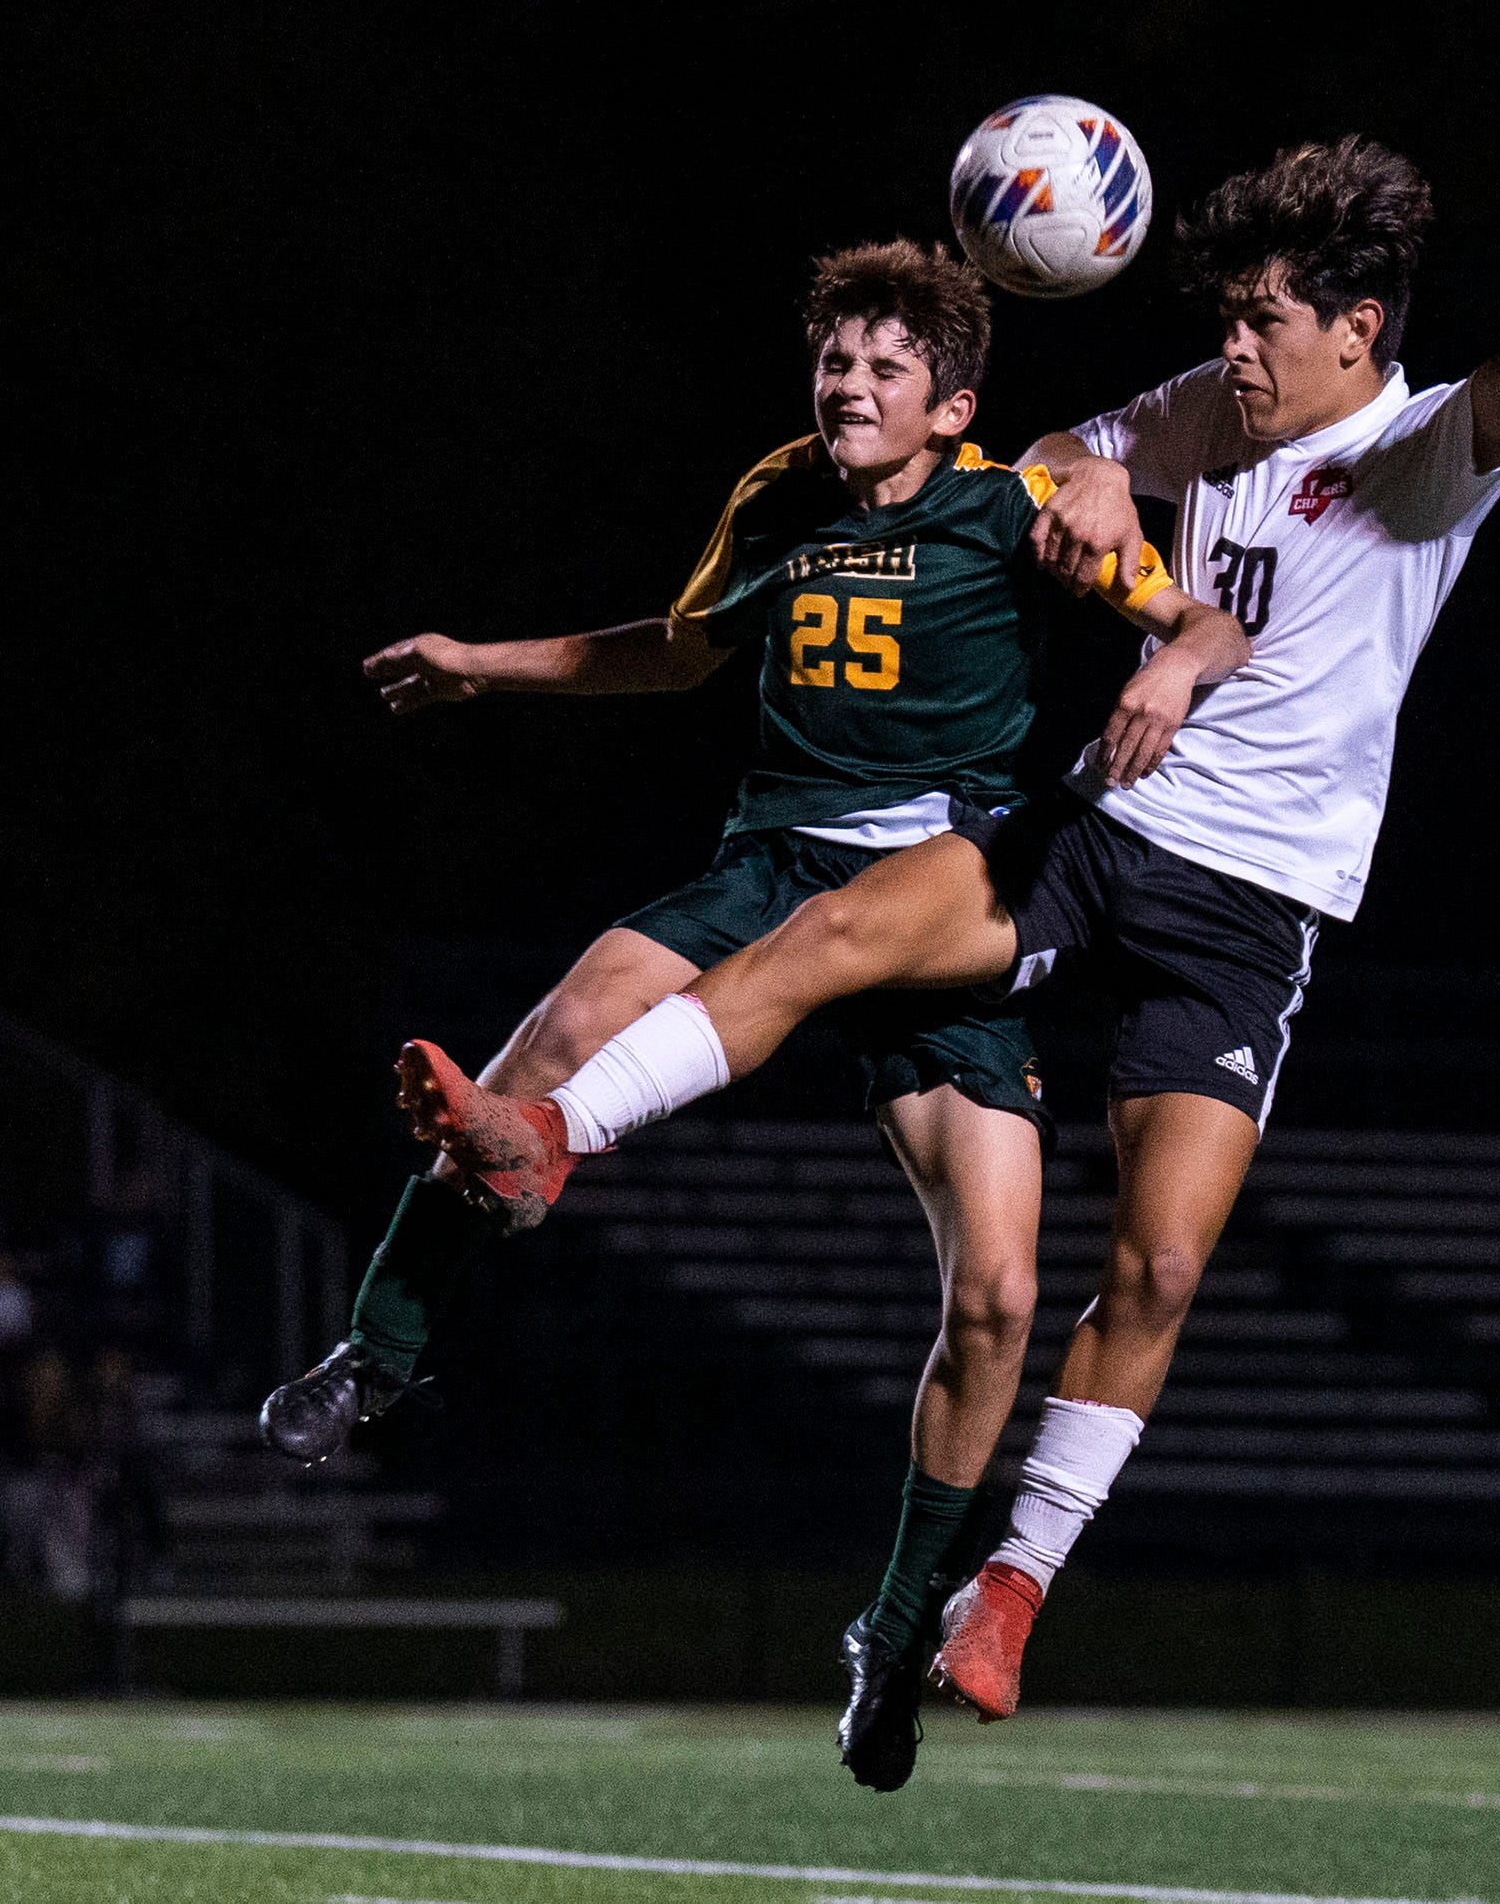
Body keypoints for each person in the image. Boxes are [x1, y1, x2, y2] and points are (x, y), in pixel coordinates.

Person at [404, 111, 1500, 1723]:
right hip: (1104, 833)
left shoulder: (1425, 449)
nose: (1233, 348)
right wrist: (1095, 468)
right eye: (1228, 317)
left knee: (1163, 1264)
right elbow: (1037, 464)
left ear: (1356, 332)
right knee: (827, 936)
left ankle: (1012, 1584)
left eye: (1264, 323)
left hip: (1251, 913)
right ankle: (554, 1135)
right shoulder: (1203, 409)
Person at [257, 238, 1249, 1790]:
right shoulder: (777, 492)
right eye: (835, 362)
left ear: (954, 406)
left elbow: (1202, 622)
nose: (848, 387)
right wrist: (487, 666)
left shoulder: (1016, 508)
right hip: (774, 861)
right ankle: (371, 1353)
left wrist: (1179, 657)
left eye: (883, 370)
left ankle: (897, 1622)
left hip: (947, 899)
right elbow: (675, 650)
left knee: (996, 1295)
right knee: (542, 1050)